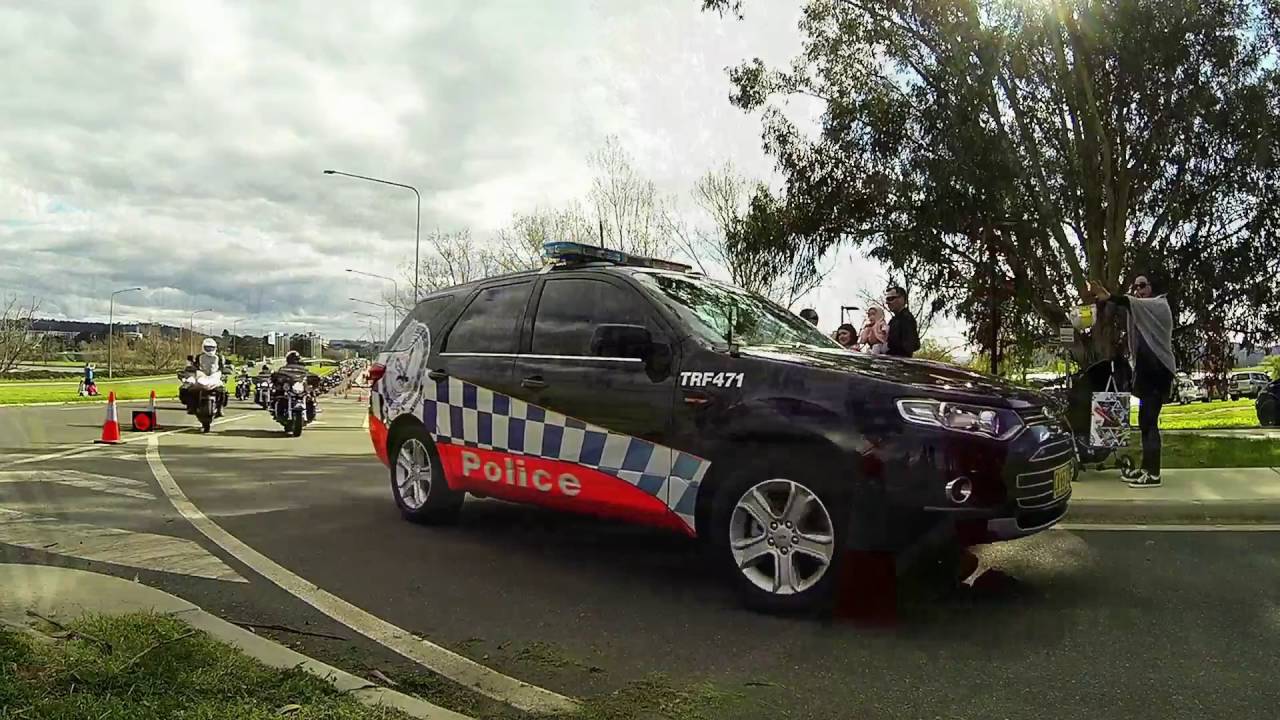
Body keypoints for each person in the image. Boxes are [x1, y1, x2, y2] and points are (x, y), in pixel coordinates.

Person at [1090, 275, 1175, 488]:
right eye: (1135, 286)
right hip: (1147, 372)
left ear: (1152, 287)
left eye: (1143, 285)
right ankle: (1147, 469)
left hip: (1158, 371)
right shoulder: (1143, 311)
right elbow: (1133, 309)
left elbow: (1130, 303)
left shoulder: (1159, 305)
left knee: (1150, 422)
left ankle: (1153, 474)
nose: (1139, 290)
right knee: (1145, 422)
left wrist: (1110, 297)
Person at [884, 286, 919, 358]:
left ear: (902, 299)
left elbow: (913, 344)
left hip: (900, 364)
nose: (887, 302)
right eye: (886, 299)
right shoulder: (894, 320)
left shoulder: (907, 318)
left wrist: (889, 346)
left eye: (890, 299)